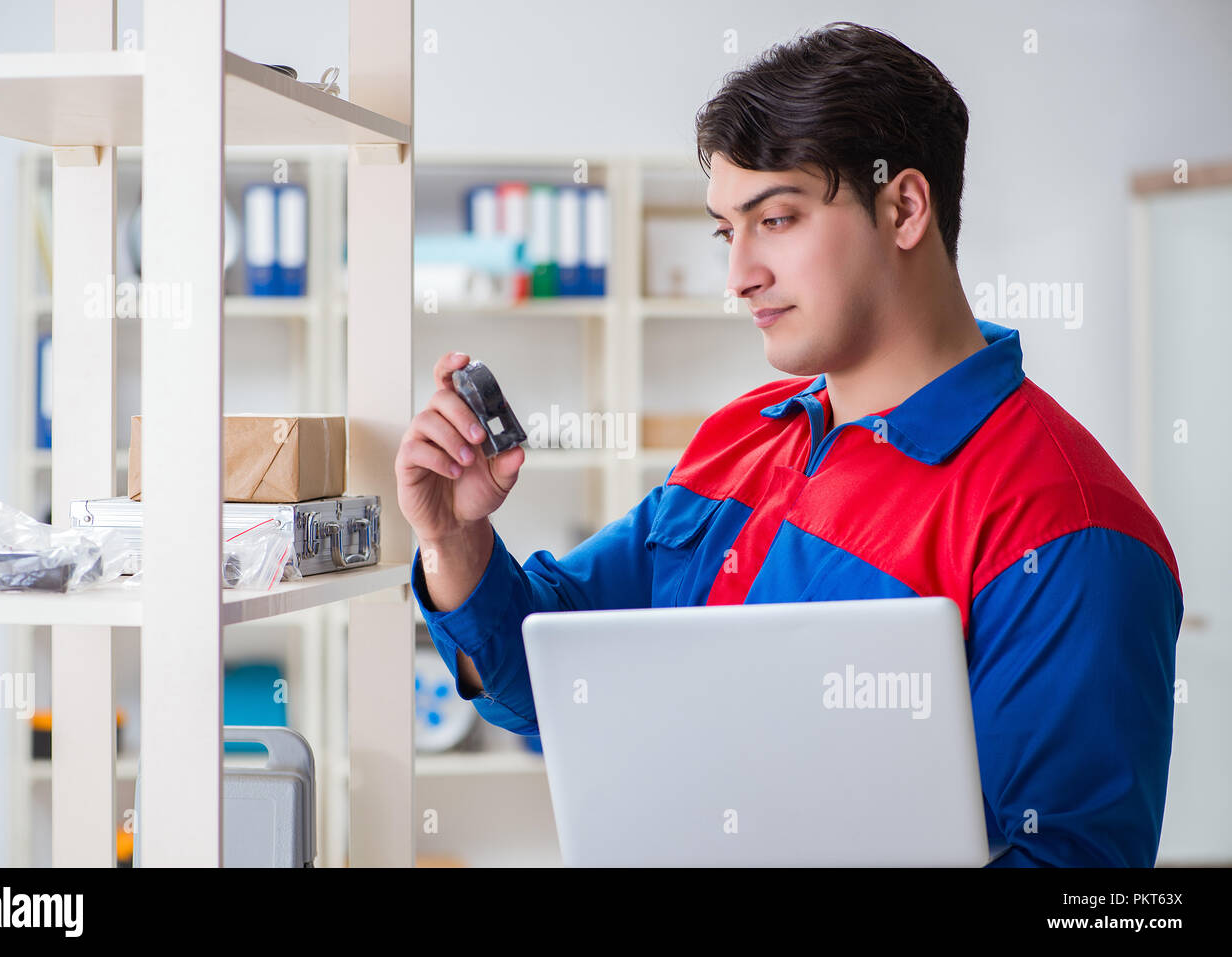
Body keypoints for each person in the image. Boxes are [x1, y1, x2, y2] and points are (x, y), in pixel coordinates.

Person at [395, 21, 1182, 868]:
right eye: (726, 232)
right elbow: (555, 675)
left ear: (904, 207)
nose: (739, 275)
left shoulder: (1066, 527)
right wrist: (456, 540)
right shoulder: (741, 436)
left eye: (776, 218)